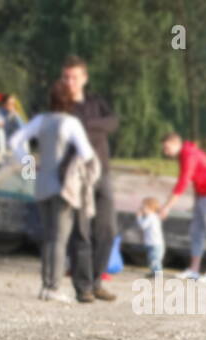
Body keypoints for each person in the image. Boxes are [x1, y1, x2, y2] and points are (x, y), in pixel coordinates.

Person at [8, 81, 97, 303]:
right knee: (59, 239)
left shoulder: (40, 120)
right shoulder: (71, 123)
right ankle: (54, 287)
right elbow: (86, 154)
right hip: (63, 186)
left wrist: (29, 167)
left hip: (41, 183)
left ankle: (45, 285)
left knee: (47, 238)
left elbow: (14, 141)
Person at [62, 56, 120, 301]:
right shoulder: (59, 105)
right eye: (65, 77)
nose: (70, 82)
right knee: (81, 233)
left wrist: (84, 125)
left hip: (102, 172)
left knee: (107, 229)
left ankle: (98, 280)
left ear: (84, 78)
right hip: (75, 176)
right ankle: (83, 287)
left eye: (74, 77)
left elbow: (113, 122)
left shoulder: (96, 101)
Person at [157, 132, 206, 283]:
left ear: (176, 143)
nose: (165, 152)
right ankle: (194, 270)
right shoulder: (183, 154)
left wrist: (167, 207)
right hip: (202, 194)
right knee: (196, 231)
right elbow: (195, 177)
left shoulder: (188, 154)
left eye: (167, 147)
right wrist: (197, 198)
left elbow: (183, 182)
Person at [137, 197, 165, 275]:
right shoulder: (154, 216)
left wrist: (139, 217)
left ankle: (158, 273)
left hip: (155, 244)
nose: (142, 209)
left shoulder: (151, 217)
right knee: (152, 259)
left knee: (154, 259)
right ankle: (154, 272)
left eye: (143, 207)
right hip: (153, 243)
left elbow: (142, 226)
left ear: (150, 208)